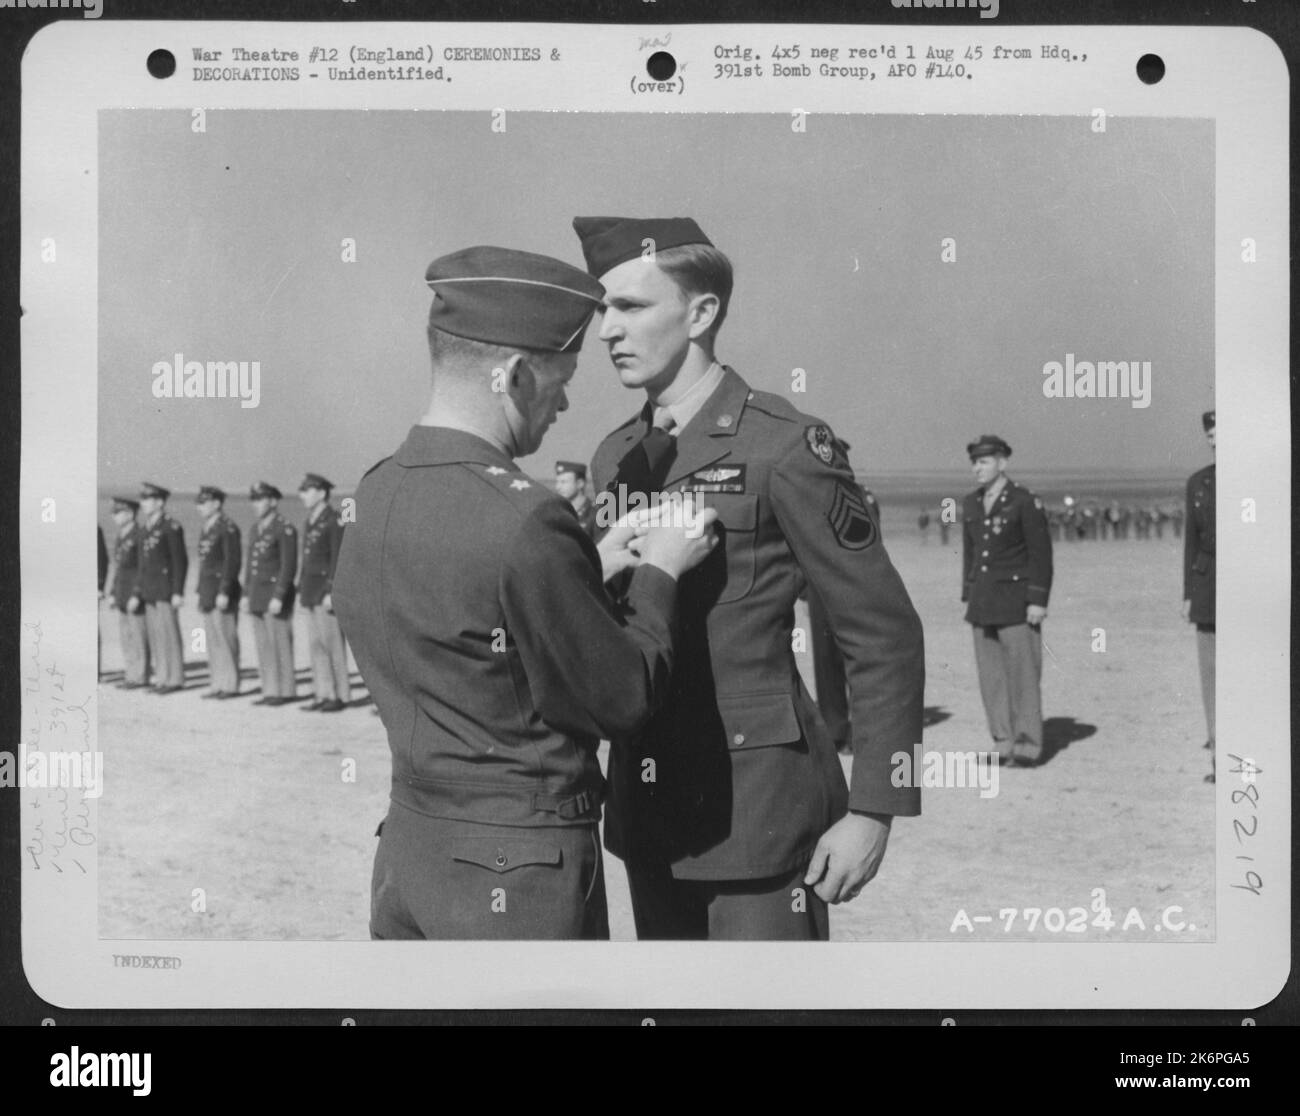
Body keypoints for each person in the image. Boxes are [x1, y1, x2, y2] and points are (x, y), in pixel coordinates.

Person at [333, 245, 718, 940]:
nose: (565, 401)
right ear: (511, 376)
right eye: (559, 380)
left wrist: (583, 569)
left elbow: (459, 619)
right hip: (515, 870)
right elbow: (622, 697)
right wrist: (660, 569)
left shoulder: (378, 489)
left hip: (410, 852)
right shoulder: (527, 518)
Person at [574, 215, 924, 941]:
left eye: (630, 307)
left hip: (759, 816)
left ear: (702, 312)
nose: (606, 330)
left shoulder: (784, 446)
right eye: (601, 309)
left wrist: (874, 809)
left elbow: (881, 631)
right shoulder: (617, 459)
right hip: (651, 818)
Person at [961, 435, 1053, 766]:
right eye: (974, 462)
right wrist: (967, 593)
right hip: (983, 602)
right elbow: (971, 554)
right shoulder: (971, 503)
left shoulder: (1025, 501)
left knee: (1023, 678)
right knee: (992, 680)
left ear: (1003, 463)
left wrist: (1038, 600)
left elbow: (1041, 555)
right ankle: (1003, 742)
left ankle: (1027, 746)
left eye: (984, 461)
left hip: (1017, 603)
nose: (977, 468)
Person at [297, 473, 350, 713]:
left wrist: (332, 589)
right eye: (302, 491)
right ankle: (322, 692)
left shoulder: (334, 520)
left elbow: (338, 558)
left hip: (324, 592)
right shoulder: (311, 520)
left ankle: (339, 694)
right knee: (316, 645)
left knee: (332, 644)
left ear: (321, 492)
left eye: (307, 491)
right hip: (310, 591)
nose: (303, 496)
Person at [129, 482, 188, 694]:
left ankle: (174, 679)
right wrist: (139, 591)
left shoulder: (170, 527)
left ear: (160, 502)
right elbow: (143, 565)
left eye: (147, 499)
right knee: (156, 636)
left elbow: (180, 561)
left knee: (169, 635)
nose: (143, 504)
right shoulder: (146, 528)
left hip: (165, 590)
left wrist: (178, 591)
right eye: (142, 500)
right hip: (150, 591)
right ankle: (162, 678)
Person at [1183, 410, 1216, 782]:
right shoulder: (1198, 483)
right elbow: (1191, 542)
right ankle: (1218, 759)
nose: (1214, 440)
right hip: (1207, 586)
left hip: (1243, 587)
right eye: (1210, 436)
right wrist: (1188, 593)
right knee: (1211, 676)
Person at [244, 481, 298, 706]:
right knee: (263, 645)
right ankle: (270, 689)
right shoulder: (256, 529)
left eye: (261, 499)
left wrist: (279, 595)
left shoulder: (284, 528)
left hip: (275, 596)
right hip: (257, 594)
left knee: (280, 644)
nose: (256, 504)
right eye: (254, 500)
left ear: (274, 501)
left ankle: (285, 691)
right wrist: (246, 593)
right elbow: (250, 566)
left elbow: (288, 566)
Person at [195, 485, 242, 699]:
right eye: (199, 503)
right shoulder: (209, 527)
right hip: (208, 592)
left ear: (216, 503)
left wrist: (224, 590)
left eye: (204, 503)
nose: (200, 507)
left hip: (222, 593)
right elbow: (205, 564)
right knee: (212, 640)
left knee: (225, 639)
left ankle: (230, 684)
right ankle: (217, 683)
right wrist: (200, 590)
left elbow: (231, 563)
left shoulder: (227, 528)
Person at [107, 497, 150, 689]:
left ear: (131, 514)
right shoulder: (121, 535)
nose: (114, 516)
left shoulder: (140, 535)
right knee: (126, 637)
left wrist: (137, 593)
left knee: (138, 636)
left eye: (119, 512)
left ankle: (140, 675)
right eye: (114, 513)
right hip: (122, 593)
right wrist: (113, 592)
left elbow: (143, 567)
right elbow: (119, 568)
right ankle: (131, 673)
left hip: (134, 595)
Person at [554, 460, 597, 537]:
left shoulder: (595, 515)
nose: (558, 487)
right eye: (557, 482)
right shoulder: (556, 513)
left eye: (563, 482)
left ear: (580, 484)